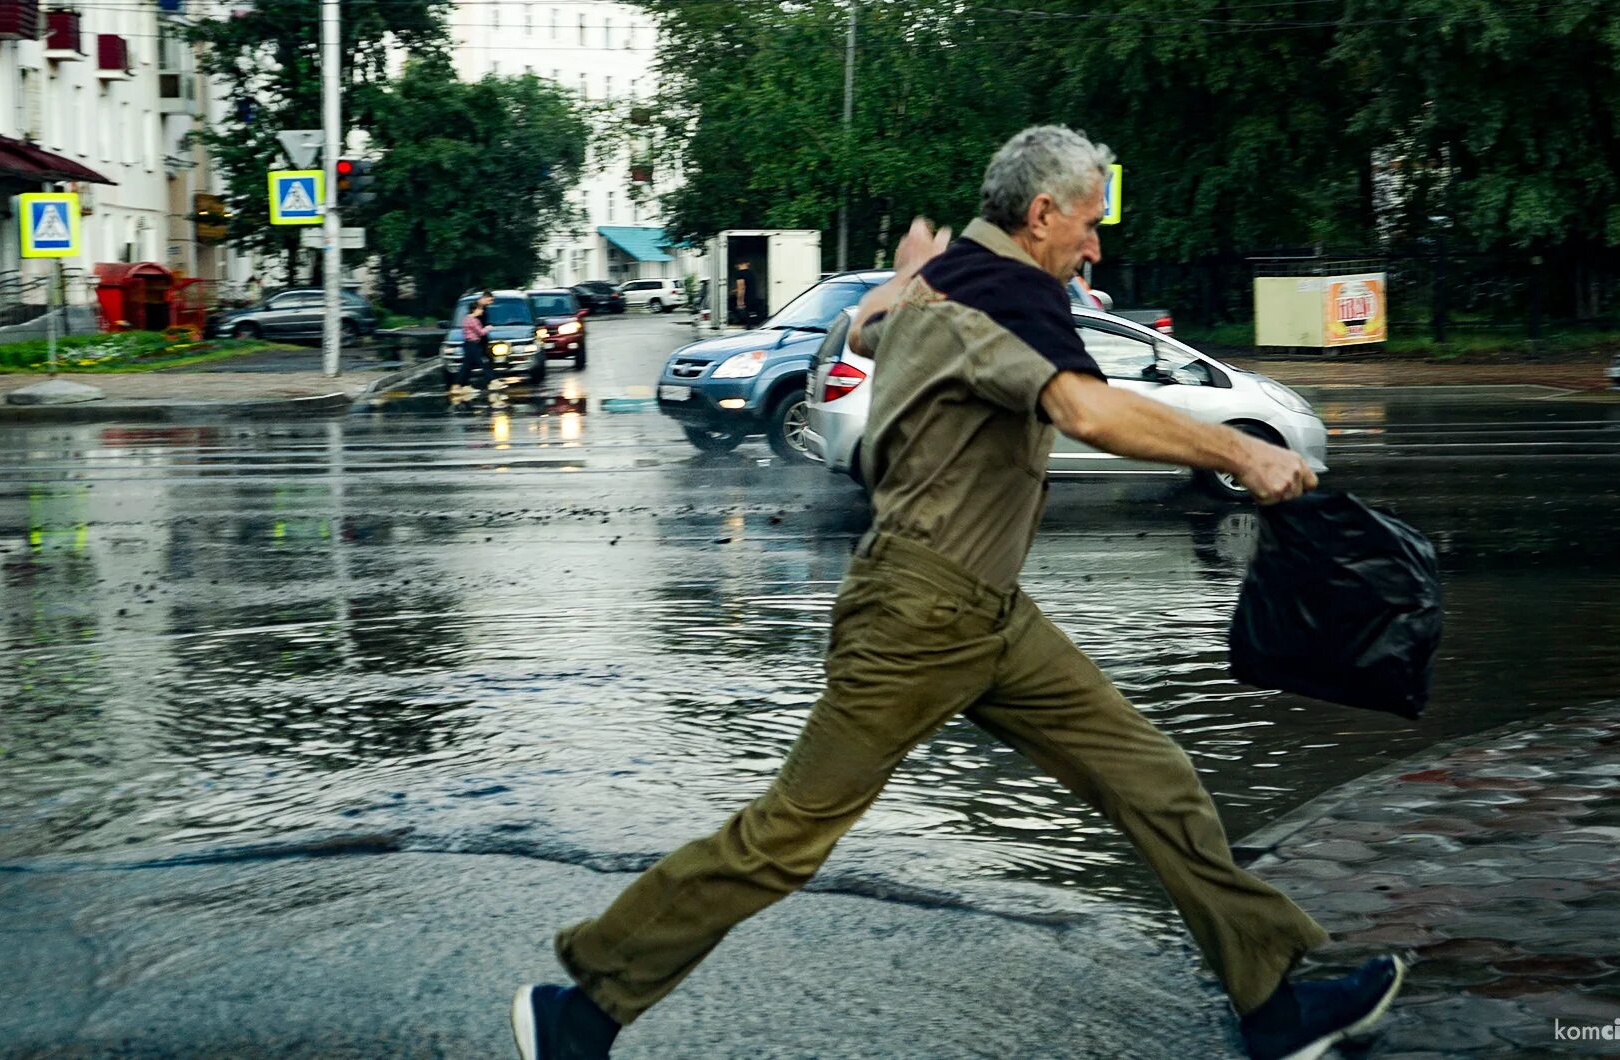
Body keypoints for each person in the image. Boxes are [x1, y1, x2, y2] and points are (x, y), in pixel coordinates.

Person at [512, 126, 1404, 1060]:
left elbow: (862, 327)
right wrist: (1244, 449)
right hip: (919, 616)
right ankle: (583, 1009)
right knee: (785, 838)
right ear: (1042, 213)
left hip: (988, 614)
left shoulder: (948, 282)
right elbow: (1088, 411)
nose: (1096, 245)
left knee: (1153, 779)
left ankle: (1272, 1007)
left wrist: (902, 281)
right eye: (1088, 224)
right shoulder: (1005, 297)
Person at [451, 293, 492, 397]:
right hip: (472, 344)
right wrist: (488, 328)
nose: (482, 311)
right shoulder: (472, 320)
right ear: (475, 310)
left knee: (466, 366)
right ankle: (493, 381)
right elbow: (481, 332)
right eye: (480, 309)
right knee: (483, 362)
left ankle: (459, 386)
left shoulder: (467, 319)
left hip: (470, 344)